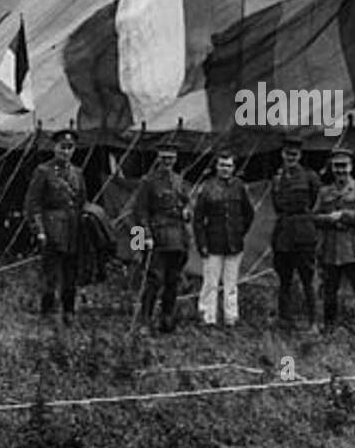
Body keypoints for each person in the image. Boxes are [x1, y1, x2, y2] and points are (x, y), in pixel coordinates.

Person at [23, 128, 87, 322]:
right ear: (54, 147)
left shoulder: (77, 173)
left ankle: (68, 311)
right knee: (51, 273)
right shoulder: (43, 171)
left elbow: (82, 201)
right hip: (52, 229)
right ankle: (47, 312)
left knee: (71, 273)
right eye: (62, 147)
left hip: (72, 230)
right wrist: (39, 230)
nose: (65, 152)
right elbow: (33, 204)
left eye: (69, 148)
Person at [131, 142, 191, 333]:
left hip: (177, 237)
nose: (168, 162)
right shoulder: (148, 181)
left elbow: (185, 203)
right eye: (164, 158)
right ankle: (145, 320)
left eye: (171, 158)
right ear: (158, 158)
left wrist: (187, 211)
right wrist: (144, 236)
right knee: (153, 280)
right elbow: (139, 212)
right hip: (156, 236)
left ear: (176, 159)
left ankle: (167, 318)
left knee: (173, 280)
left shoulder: (179, 180)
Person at [313, 149, 355, 327]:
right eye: (336, 166)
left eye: (344, 166)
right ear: (331, 167)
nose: (340, 170)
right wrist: (330, 220)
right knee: (329, 291)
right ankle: (329, 328)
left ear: (351, 167)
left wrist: (342, 215)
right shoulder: (325, 192)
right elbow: (315, 217)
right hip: (331, 250)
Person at [192, 151, 255, 326]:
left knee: (231, 284)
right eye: (221, 165)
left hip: (234, 243)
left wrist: (240, 232)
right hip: (213, 242)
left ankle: (231, 318)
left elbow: (249, 214)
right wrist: (202, 244)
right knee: (210, 283)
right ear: (216, 167)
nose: (225, 169)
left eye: (228, 166)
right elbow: (198, 220)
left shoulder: (239, 187)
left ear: (233, 168)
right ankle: (207, 317)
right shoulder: (207, 188)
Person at [270, 137, 321, 326]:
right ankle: (285, 319)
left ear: (300, 155)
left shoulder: (310, 177)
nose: (290, 157)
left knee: (307, 278)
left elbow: (315, 201)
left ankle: (313, 322)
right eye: (287, 154)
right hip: (283, 234)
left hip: (303, 234)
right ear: (282, 154)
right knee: (284, 278)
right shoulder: (277, 179)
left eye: (294, 154)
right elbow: (277, 205)